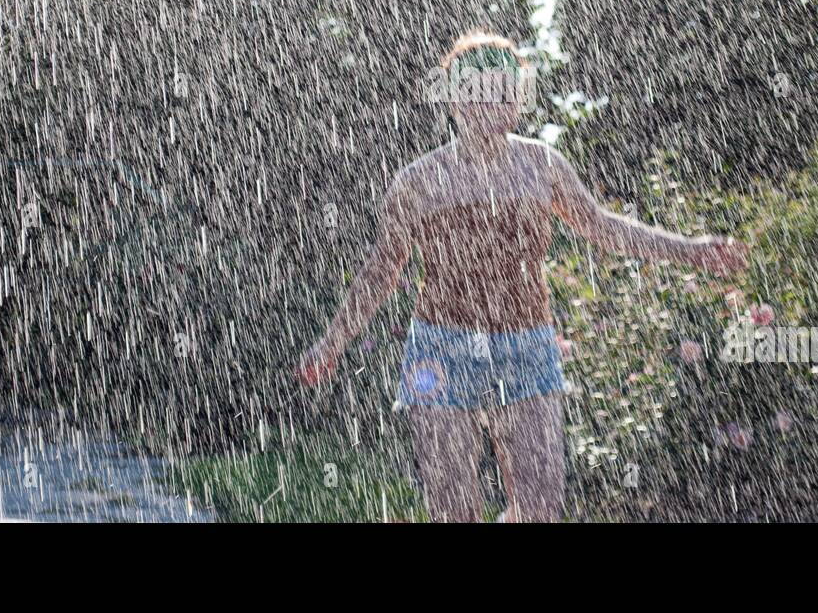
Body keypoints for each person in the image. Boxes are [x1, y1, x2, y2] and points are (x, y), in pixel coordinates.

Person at [297, 32, 746, 522]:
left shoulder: (542, 166)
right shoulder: (418, 182)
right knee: (454, 510)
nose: (498, 103)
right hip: (441, 350)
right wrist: (331, 344)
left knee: (540, 509)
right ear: (455, 100)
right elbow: (381, 272)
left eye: (508, 92)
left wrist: (692, 250)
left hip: (527, 346)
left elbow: (604, 229)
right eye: (484, 91)